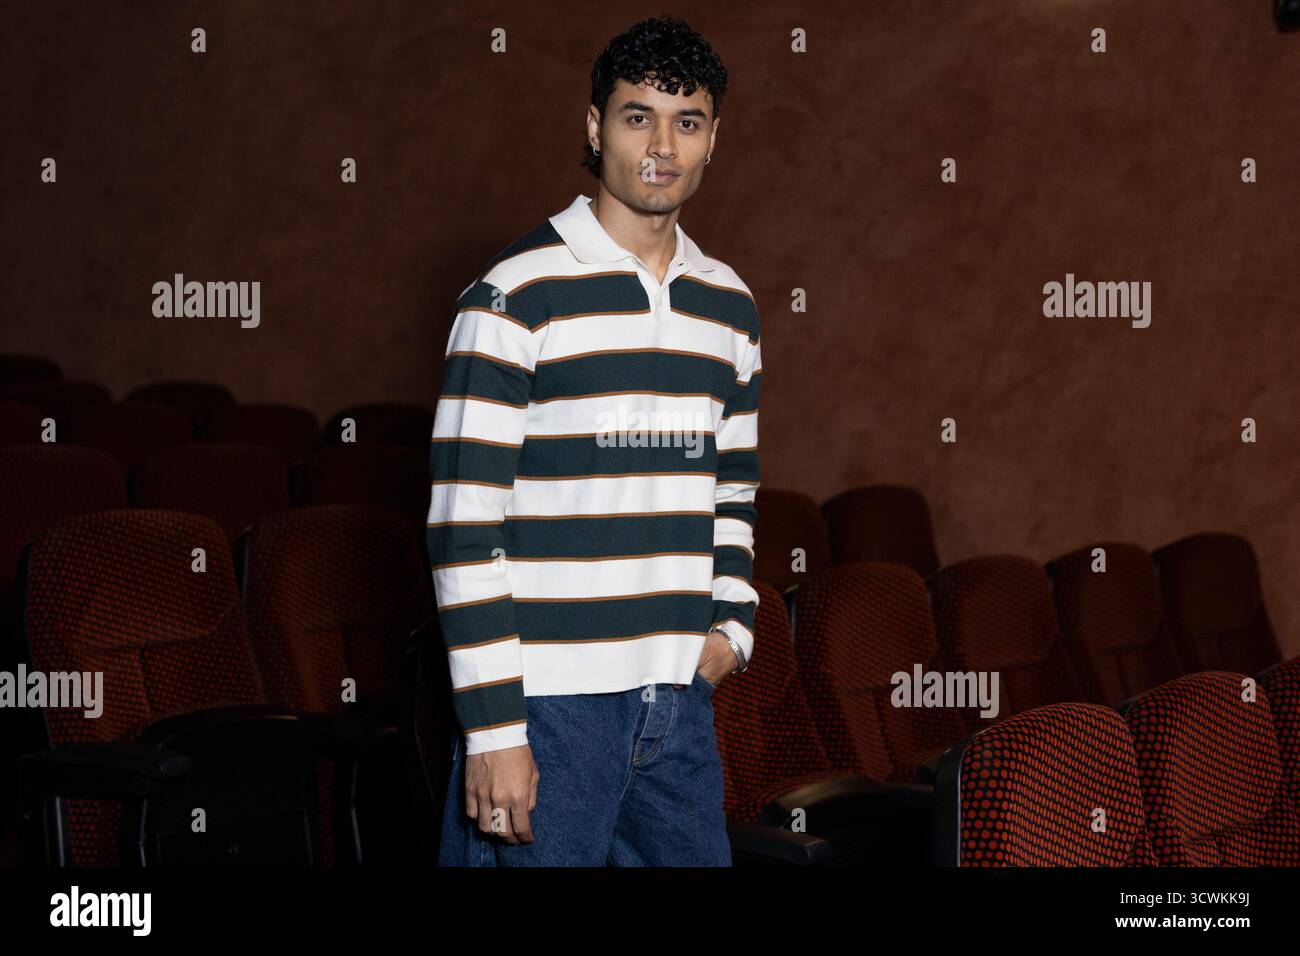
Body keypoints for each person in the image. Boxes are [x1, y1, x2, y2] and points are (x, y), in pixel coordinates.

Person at [428, 14, 761, 866]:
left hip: (677, 707)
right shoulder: (512, 296)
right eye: (636, 115)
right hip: (549, 712)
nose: (662, 144)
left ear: (714, 139)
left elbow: (733, 486)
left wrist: (731, 628)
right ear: (593, 126)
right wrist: (495, 730)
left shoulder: (730, 305)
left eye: (686, 122)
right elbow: (464, 527)